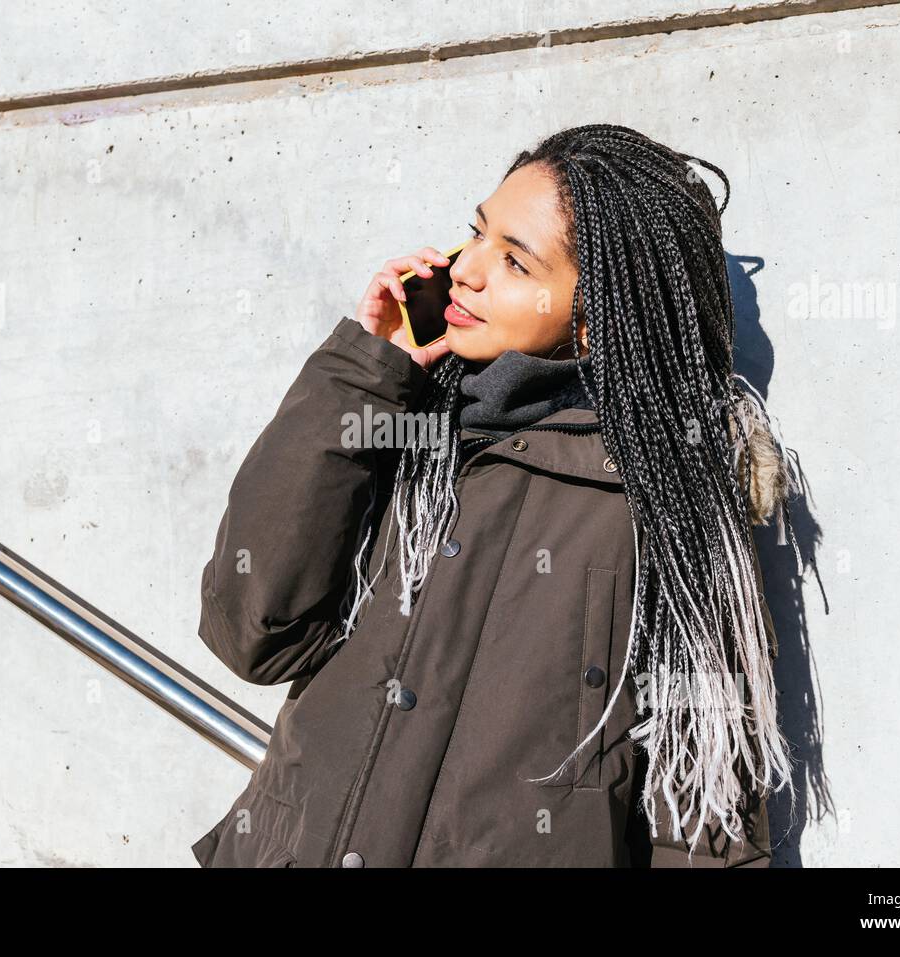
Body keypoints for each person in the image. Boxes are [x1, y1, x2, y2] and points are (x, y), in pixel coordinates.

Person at [191, 124, 802, 867]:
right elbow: (252, 634)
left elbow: (705, 819)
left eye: (515, 260)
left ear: (595, 312)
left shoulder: (665, 507)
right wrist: (362, 369)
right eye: (475, 234)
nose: (467, 270)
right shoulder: (401, 427)